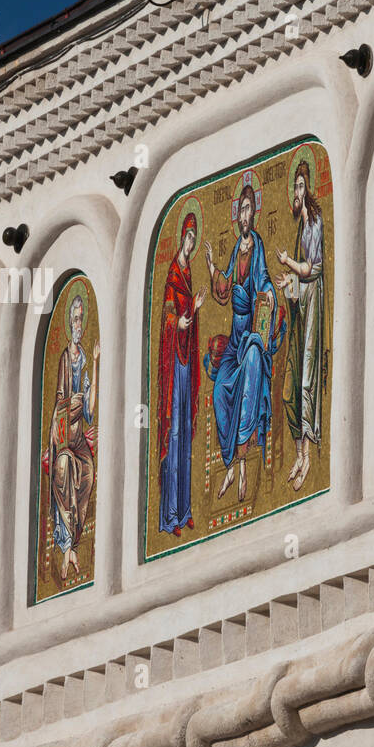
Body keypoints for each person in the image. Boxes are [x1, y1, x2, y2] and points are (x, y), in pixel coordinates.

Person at [204, 183, 281, 502]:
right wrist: (210, 265)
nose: (245, 215)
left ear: (255, 212)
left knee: (252, 362)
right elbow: (224, 288)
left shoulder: (258, 246)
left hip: (251, 331)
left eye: (249, 209)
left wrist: (271, 298)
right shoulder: (238, 247)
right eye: (241, 210)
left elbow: (262, 282)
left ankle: (243, 464)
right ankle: (231, 462)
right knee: (220, 387)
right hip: (235, 338)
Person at [277, 160, 326, 491]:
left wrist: (289, 265)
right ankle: (297, 452)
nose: (295, 193)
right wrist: (287, 285)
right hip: (299, 307)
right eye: (293, 186)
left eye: (298, 186)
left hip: (313, 309)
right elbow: (299, 280)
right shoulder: (299, 230)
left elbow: (311, 269)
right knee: (291, 385)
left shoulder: (316, 223)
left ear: (307, 188)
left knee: (307, 377)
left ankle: (308, 456)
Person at [157, 212, 205, 536]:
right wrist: (181, 324)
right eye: (187, 237)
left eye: (193, 238)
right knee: (173, 435)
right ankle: (170, 514)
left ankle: (186, 509)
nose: (190, 243)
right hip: (174, 367)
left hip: (187, 363)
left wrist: (196, 309)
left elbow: (188, 316)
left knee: (186, 433)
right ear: (180, 239)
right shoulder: (173, 276)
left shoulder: (187, 275)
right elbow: (168, 320)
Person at [49, 293, 98, 577]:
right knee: (65, 466)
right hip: (65, 439)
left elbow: (91, 410)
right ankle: (67, 544)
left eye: (82, 318)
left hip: (80, 440)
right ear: (69, 323)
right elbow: (58, 404)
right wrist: (71, 406)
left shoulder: (85, 362)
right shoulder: (65, 359)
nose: (79, 324)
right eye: (75, 319)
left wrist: (96, 362)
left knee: (89, 472)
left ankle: (74, 543)